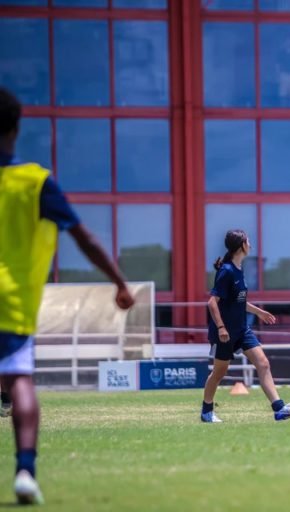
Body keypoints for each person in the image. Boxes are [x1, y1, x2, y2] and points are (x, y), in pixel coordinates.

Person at [0, 87, 135, 505]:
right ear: (17, 128)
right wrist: (119, 283)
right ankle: (25, 470)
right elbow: (85, 238)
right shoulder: (36, 183)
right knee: (20, 380)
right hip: (11, 302)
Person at [202, 229, 290, 423]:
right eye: (248, 242)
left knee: (263, 363)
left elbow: (237, 301)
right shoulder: (226, 271)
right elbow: (212, 302)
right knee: (219, 372)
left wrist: (259, 312)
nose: (251, 245)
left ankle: (279, 409)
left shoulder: (239, 269)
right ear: (241, 245)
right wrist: (222, 328)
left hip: (241, 329)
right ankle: (206, 411)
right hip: (225, 332)